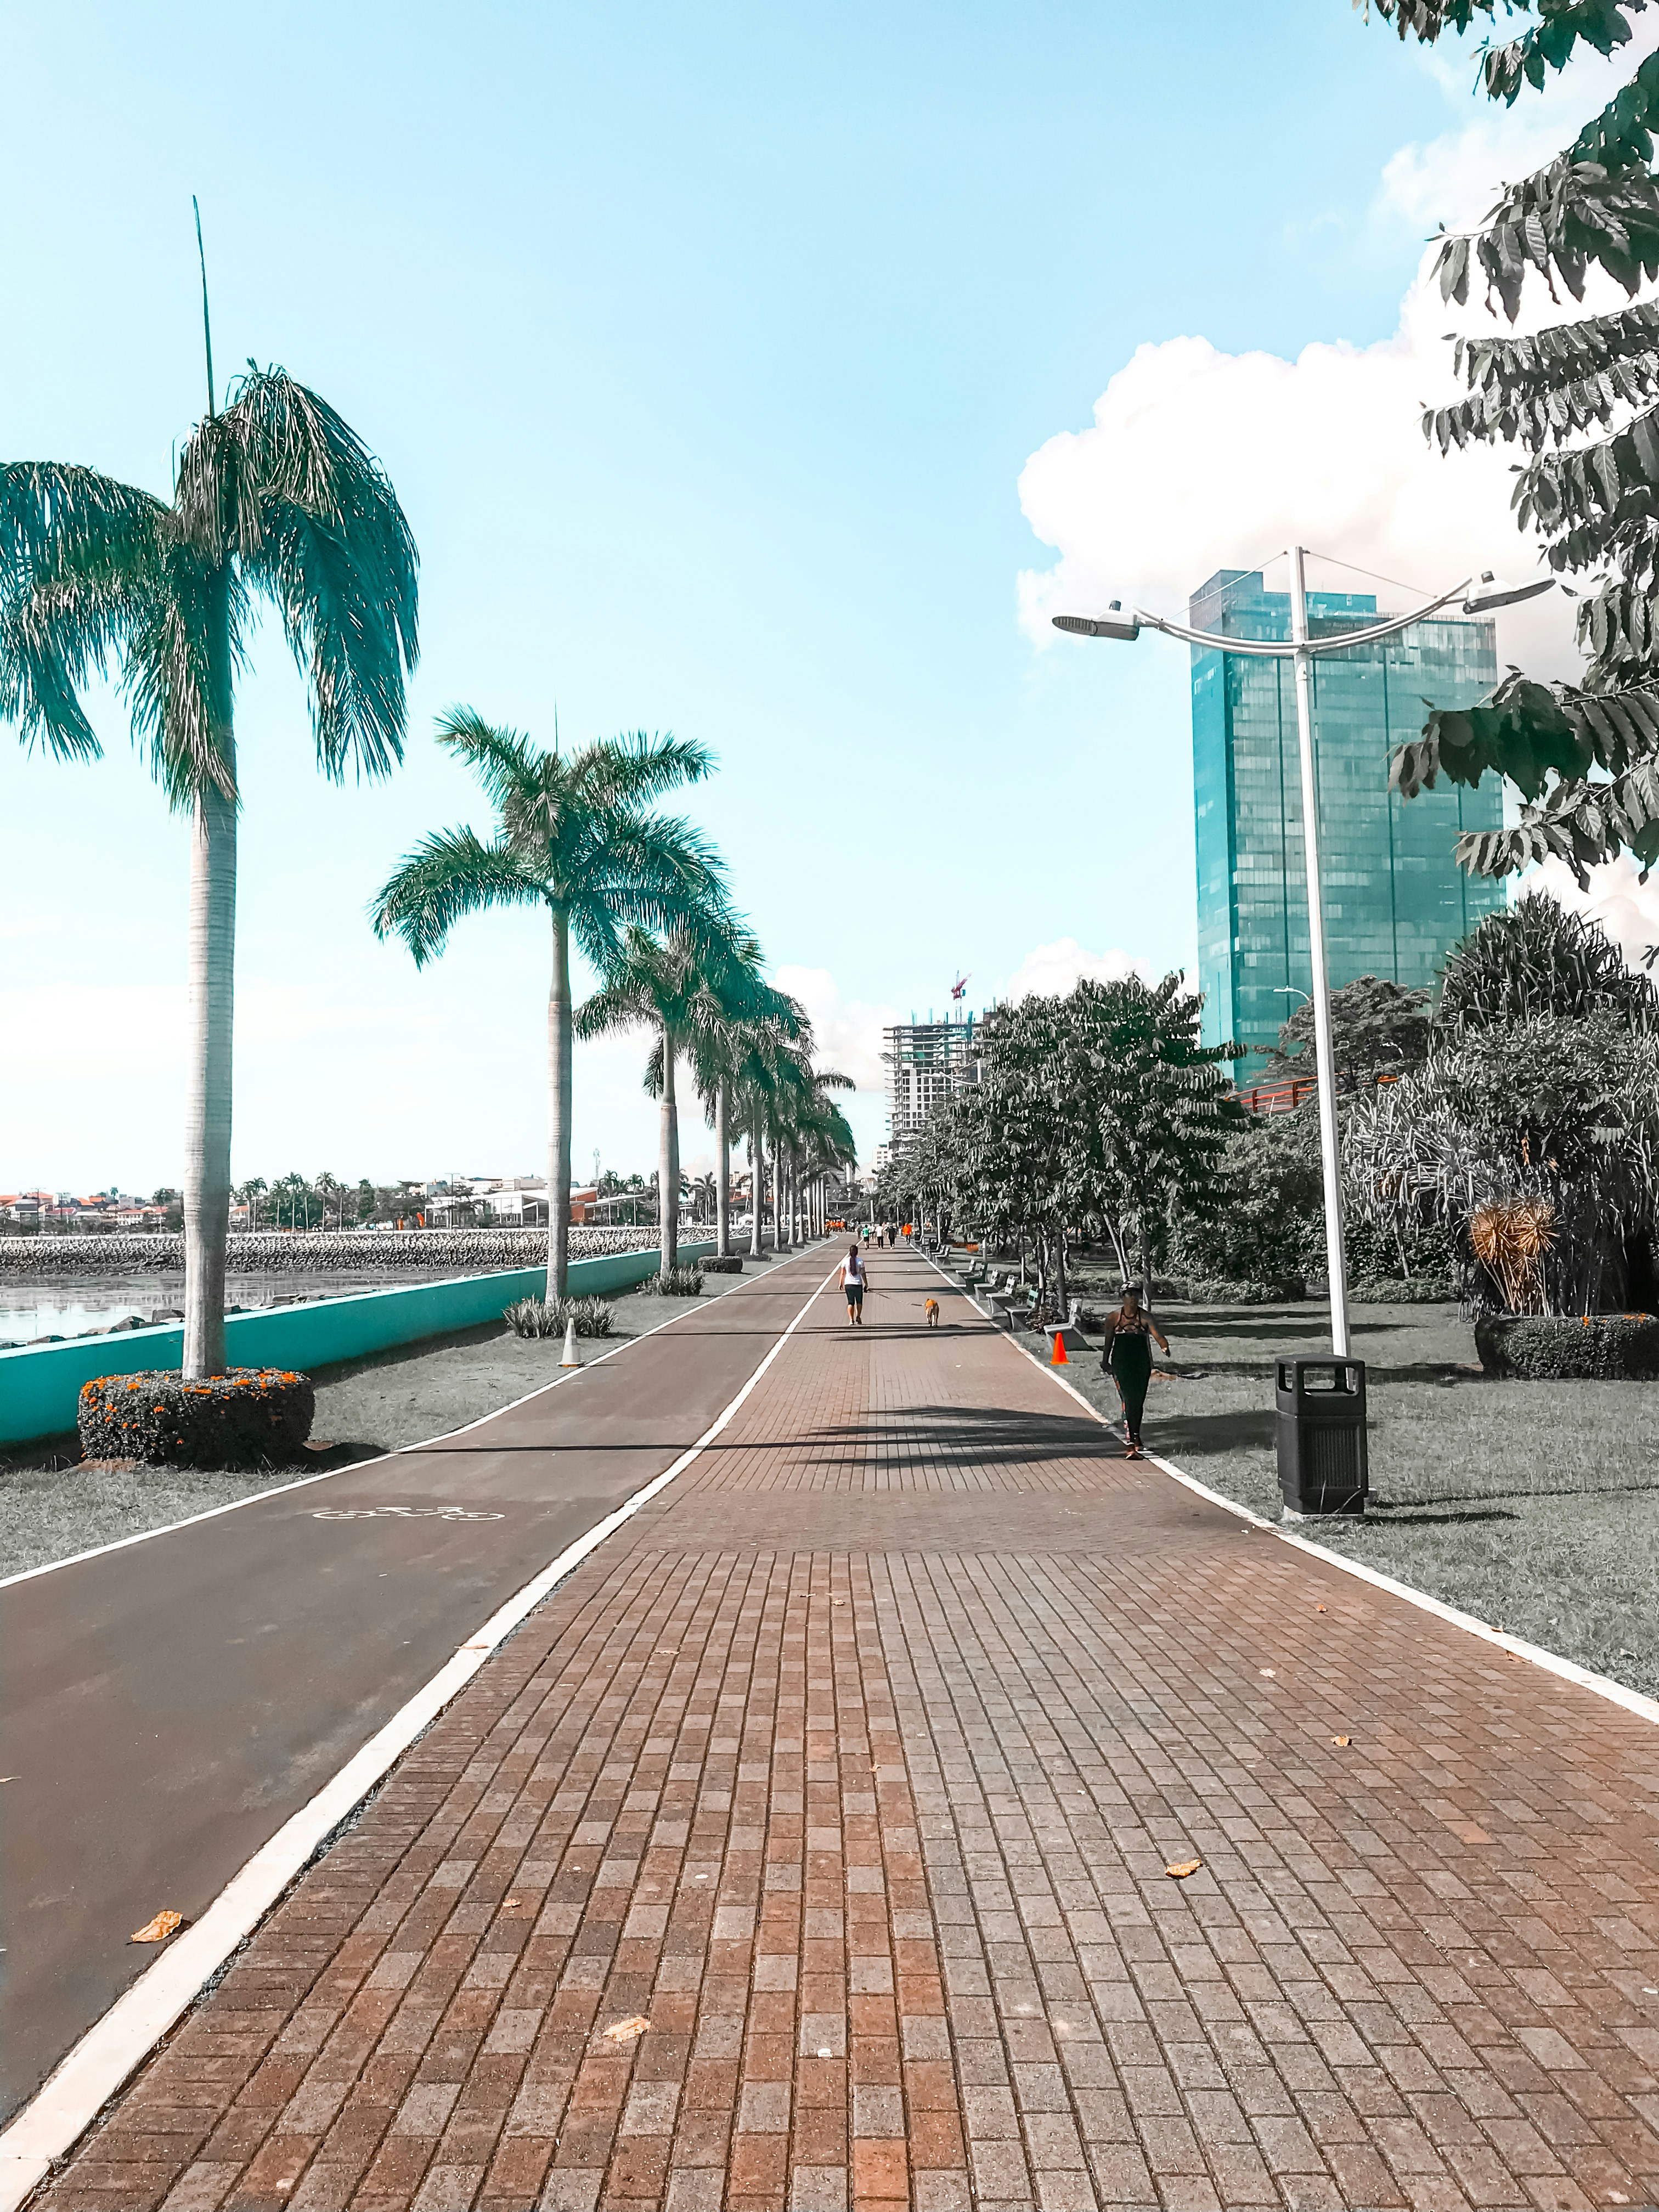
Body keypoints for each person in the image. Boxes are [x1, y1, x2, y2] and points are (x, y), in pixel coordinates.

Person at [1101, 1283, 1169, 1460]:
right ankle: (1130, 1444)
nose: (1133, 1298)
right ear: (1122, 1296)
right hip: (1121, 1364)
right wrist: (1105, 1361)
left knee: (1138, 1402)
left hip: (1140, 1364)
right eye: (1129, 1294)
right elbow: (1108, 1342)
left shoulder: (1145, 1317)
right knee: (1127, 1399)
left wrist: (1164, 1347)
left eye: (1136, 1295)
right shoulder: (1113, 1318)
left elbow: (1158, 1335)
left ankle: (1136, 1434)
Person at [840, 1239, 866, 1325]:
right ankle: (858, 1316)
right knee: (859, 1302)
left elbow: (843, 1273)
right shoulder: (860, 1261)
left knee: (850, 1302)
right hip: (858, 1283)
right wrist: (866, 1284)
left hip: (848, 1284)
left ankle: (851, 1320)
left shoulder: (845, 1261)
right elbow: (863, 1273)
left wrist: (840, 1282)